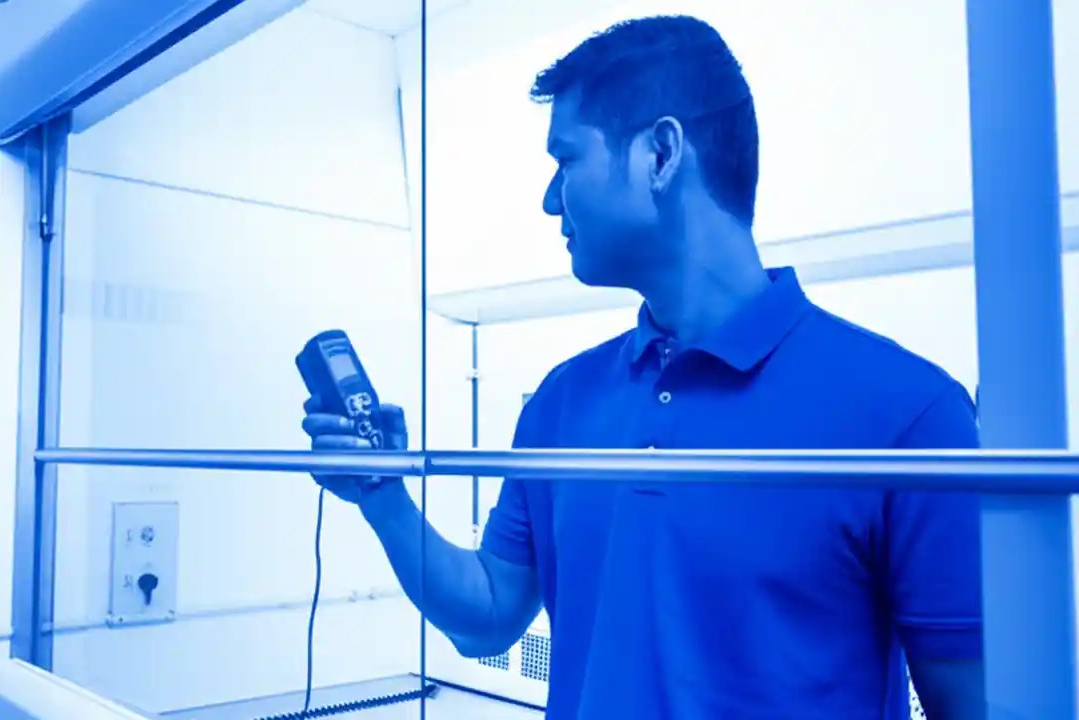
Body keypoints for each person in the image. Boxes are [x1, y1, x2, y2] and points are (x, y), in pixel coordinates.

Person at [301, 14, 984, 720]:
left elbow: (974, 705)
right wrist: (382, 495)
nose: (549, 198)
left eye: (566, 159)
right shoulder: (561, 401)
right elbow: (489, 616)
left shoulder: (910, 415)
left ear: (660, 154)